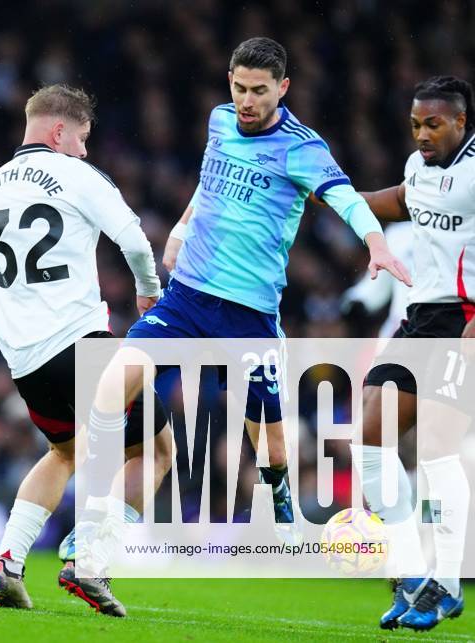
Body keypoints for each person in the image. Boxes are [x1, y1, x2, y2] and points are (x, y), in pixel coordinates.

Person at [145, 36, 411, 548]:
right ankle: (107, 517)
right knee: (123, 378)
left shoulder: (302, 147)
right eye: (241, 88)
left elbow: (348, 200)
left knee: (266, 433)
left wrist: (375, 244)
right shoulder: (219, 120)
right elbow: (209, 183)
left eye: (260, 91)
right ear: (230, 82)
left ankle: (278, 485)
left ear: (282, 88)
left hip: (251, 311)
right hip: (191, 294)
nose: (248, 100)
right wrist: (179, 229)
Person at [0, 84, 174, 617]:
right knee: (155, 447)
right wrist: (148, 290)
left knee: (65, 452)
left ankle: (7, 564)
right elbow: (133, 240)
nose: (85, 150)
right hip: (82, 340)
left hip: (25, 363)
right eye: (82, 138)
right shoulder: (78, 174)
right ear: (60, 132)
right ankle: (91, 555)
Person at [349, 75, 473, 631]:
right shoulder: (418, 167)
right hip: (419, 319)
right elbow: (402, 201)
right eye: (416, 125)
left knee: (438, 450)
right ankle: (407, 570)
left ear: (461, 123)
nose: (422, 134)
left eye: (434, 124)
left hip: (465, 320)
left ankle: (446, 582)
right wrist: (340, 201)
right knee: (370, 433)